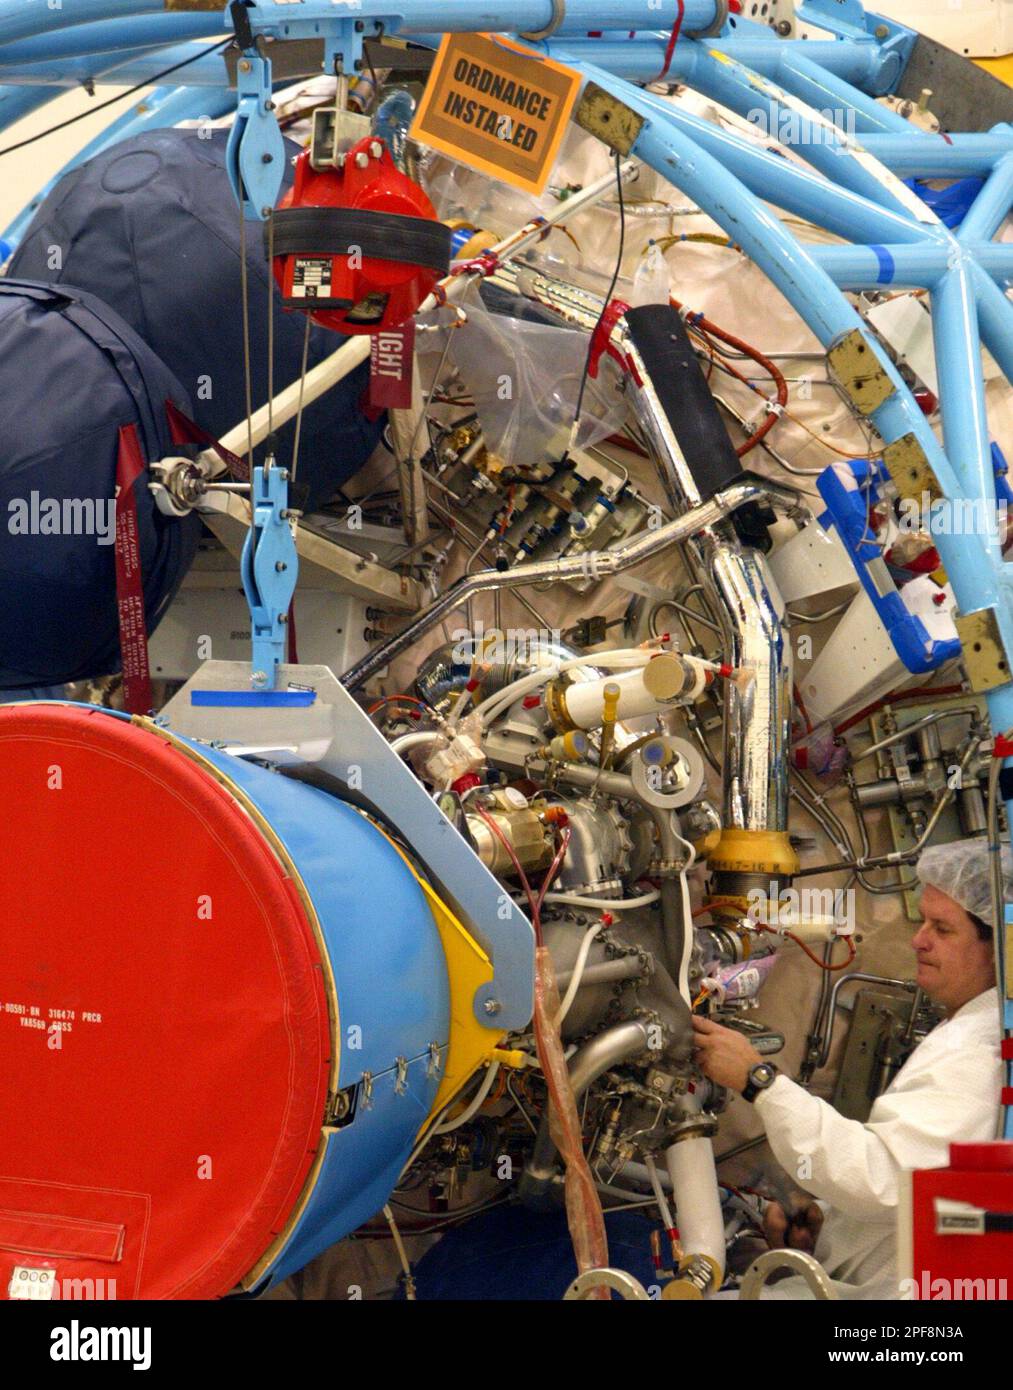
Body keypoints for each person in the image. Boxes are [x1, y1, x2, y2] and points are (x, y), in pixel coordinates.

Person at [692, 840, 1006, 1299]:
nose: (919, 940)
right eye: (923, 922)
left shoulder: (982, 1052)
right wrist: (828, 1224)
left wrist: (758, 1081)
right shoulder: (975, 1026)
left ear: (999, 946)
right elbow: (921, 1181)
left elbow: (885, 1181)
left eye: (943, 929)